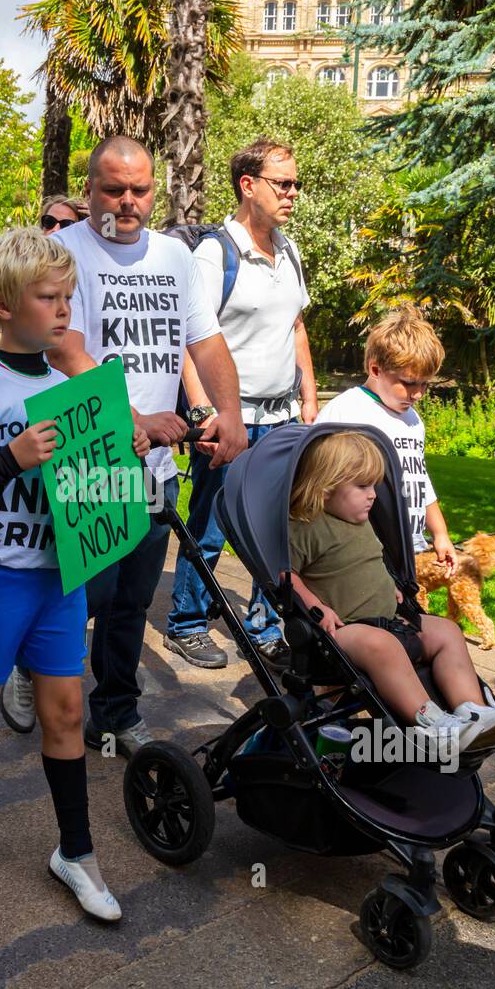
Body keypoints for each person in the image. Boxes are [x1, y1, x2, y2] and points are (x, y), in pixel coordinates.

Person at [0, 228, 149, 919]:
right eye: (48, 298)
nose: (63, 312)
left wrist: (126, 450)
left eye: (68, 298)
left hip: (60, 576)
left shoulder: (71, 388)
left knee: (67, 709)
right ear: (4, 305)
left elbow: (100, 491)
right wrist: (9, 460)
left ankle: (74, 851)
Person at [0, 135, 247, 759]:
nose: (127, 201)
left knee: (133, 599)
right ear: (90, 190)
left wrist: (232, 415)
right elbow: (65, 347)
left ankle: (114, 714)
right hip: (89, 453)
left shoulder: (174, 257)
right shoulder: (66, 252)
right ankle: (30, 664)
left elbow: (207, 342)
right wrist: (132, 417)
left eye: (139, 189)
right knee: (87, 591)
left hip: (154, 460)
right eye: (113, 189)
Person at [165, 137, 318, 671]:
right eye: (284, 183)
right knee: (211, 524)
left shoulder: (289, 250)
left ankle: (265, 624)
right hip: (233, 416)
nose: (293, 193)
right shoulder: (215, 253)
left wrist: (309, 397)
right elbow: (190, 338)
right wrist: (206, 411)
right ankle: (186, 622)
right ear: (247, 185)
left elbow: (296, 326)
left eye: (296, 183)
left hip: (281, 418)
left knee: (275, 528)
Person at [288, 430, 495, 757]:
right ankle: (433, 725)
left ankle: (473, 711)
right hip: (343, 631)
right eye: (362, 487)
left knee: (446, 630)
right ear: (325, 486)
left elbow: (368, 563)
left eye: (374, 485)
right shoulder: (306, 527)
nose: (372, 495)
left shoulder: (361, 521)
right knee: (382, 646)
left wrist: (390, 585)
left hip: (391, 621)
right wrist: (315, 606)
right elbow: (286, 575)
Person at [315, 309, 458, 572]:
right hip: (360, 554)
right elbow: (318, 484)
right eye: (409, 383)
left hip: (406, 550)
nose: (418, 395)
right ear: (375, 369)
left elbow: (421, 480)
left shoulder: (413, 420)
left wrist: (440, 533)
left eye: (425, 385)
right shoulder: (346, 412)